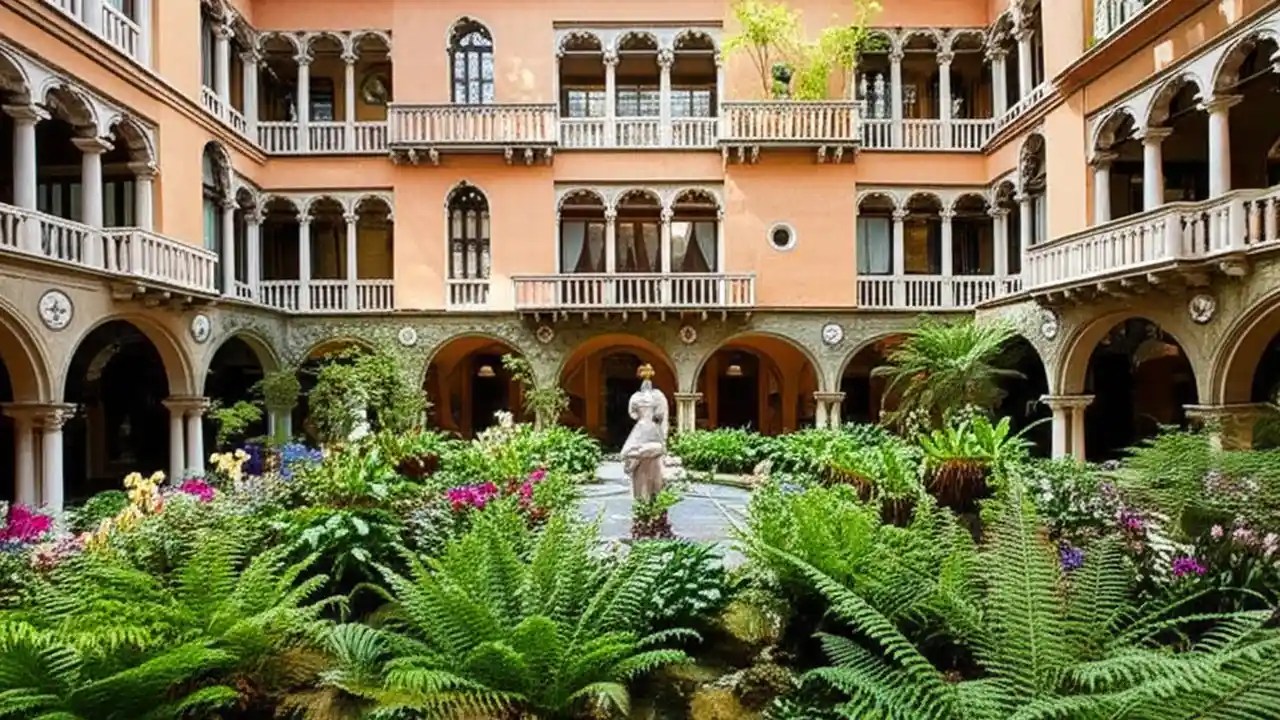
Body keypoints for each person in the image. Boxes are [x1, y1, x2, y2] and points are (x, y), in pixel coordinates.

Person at [620, 363, 669, 501]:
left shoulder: (637, 397)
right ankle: (648, 495)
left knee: (642, 454)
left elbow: (632, 414)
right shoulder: (656, 396)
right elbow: (660, 413)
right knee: (646, 455)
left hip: (642, 428)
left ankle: (647, 495)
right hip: (652, 427)